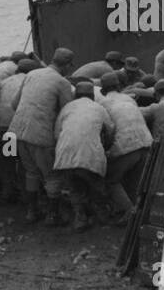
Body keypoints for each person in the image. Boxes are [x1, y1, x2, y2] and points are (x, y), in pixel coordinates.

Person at [9, 46, 76, 224]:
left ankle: (32, 212)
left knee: (30, 171)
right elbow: (68, 112)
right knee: (51, 175)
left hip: (16, 132)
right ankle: (53, 215)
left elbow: (14, 104)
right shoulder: (63, 83)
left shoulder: (32, 74)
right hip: (40, 135)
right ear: (68, 65)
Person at [53, 82, 116, 232]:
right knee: (97, 186)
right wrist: (105, 145)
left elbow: (56, 133)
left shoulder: (67, 108)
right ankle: (103, 215)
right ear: (92, 96)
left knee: (74, 188)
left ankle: (80, 218)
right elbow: (111, 129)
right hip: (89, 155)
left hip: (64, 154)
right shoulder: (99, 108)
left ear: (75, 95)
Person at [99, 72, 153, 222]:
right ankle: (140, 209)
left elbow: (108, 130)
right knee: (136, 179)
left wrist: (107, 149)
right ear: (119, 86)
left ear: (103, 91)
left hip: (126, 145)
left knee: (111, 180)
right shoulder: (129, 98)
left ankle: (130, 211)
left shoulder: (103, 104)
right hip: (146, 143)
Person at [0, 58, 40, 202]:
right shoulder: (31, 81)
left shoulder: (5, 81)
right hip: (20, 128)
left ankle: (8, 191)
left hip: (5, 128)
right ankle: (26, 193)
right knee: (24, 162)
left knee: (8, 159)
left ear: (17, 70)